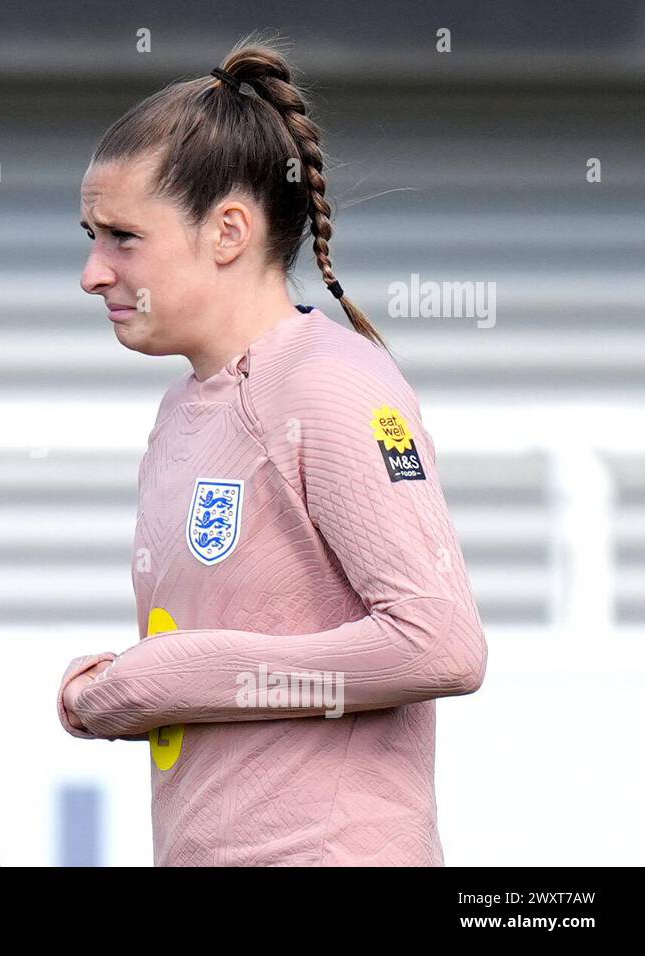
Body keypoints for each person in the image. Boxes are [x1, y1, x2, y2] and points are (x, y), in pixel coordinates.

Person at [58, 36, 487, 866]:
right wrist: (128, 682)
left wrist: (177, 678)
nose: (91, 271)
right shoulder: (186, 404)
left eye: (121, 238)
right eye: (90, 234)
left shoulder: (330, 387)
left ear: (227, 232)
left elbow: (441, 643)